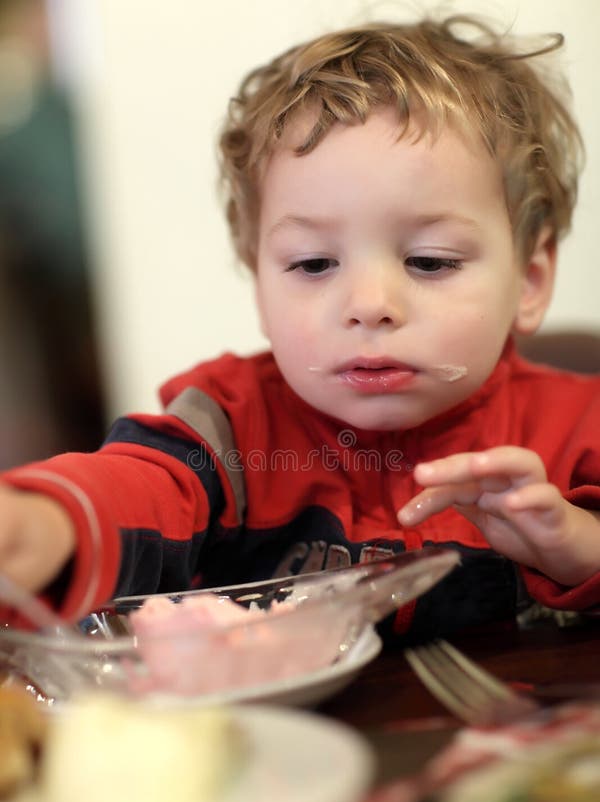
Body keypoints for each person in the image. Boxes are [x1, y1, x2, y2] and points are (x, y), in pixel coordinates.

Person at [0, 14, 599, 641]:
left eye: (430, 261)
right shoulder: (230, 428)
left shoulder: (579, 429)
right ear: (259, 285)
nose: (369, 305)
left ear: (528, 282)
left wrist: (577, 543)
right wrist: (47, 524)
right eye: (314, 264)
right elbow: (143, 489)